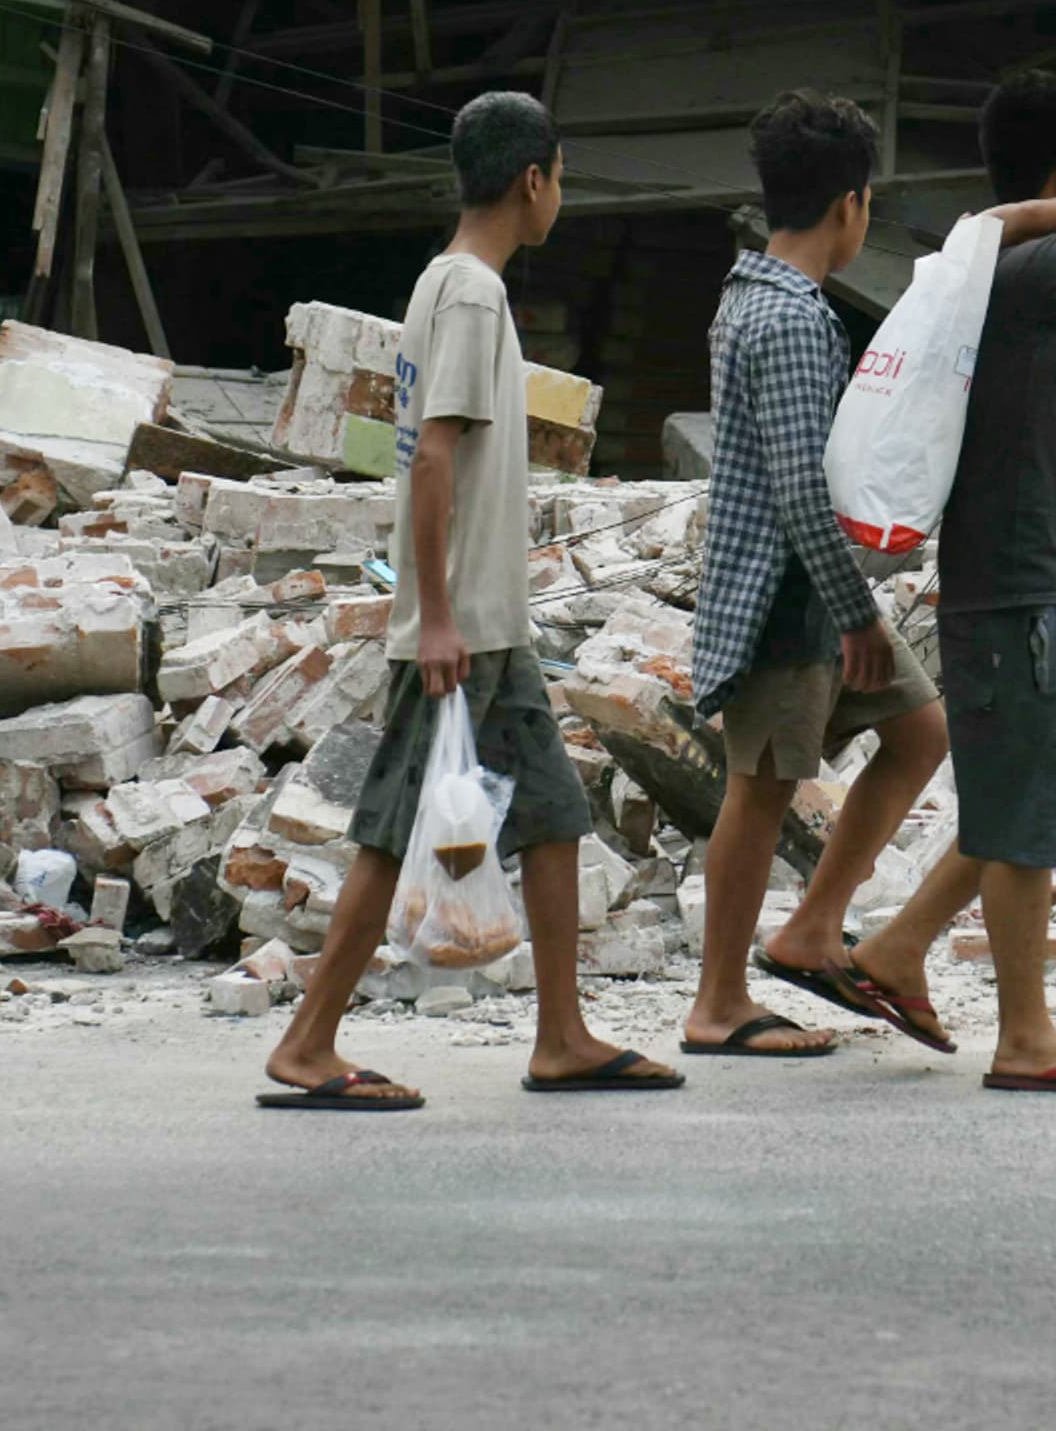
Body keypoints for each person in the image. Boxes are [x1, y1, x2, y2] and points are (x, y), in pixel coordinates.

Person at [260, 91, 681, 1109]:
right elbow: (434, 458)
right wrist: (437, 615)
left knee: (550, 814)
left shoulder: (457, 287)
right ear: (533, 179)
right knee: (391, 825)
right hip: (458, 628)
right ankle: (308, 1042)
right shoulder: (466, 296)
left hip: (494, 624)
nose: (560, 198)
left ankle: (563, 1036)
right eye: (562, 178)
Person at [837, 71, 1056, 1093]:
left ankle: (898, 950)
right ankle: (1024, 1034)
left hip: (1043, 580)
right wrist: (1014, 213)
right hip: (1015, 592)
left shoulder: (1008, 272)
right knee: (1025, 809)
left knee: (1031, 799)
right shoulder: (1020, 267)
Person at [678, 92, 957, 1061]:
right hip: (781, 598)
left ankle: (810, 927)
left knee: (920, 731)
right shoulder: (792, 320)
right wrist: (858, 616)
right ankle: (717, 1003)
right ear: (851, 206)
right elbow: (801, 489)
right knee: (757, 794)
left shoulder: (751, 295)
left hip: (801, 591)